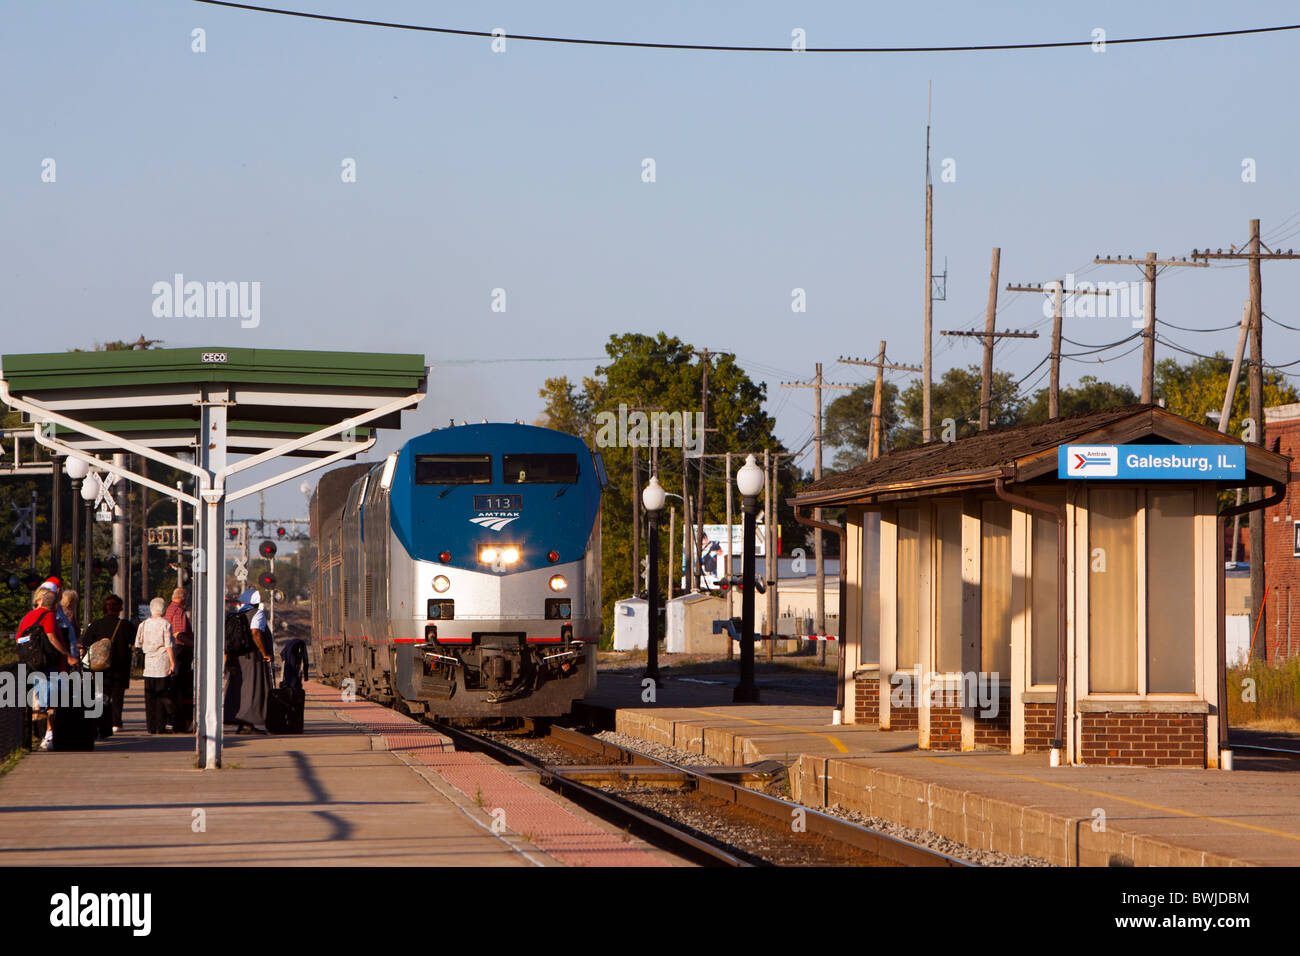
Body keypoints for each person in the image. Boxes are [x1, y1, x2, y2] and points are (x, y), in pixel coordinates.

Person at [19, 587, 77, 750]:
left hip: (31, 664)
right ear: (55, 606)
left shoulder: (28, 616)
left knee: (37, 702)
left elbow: (19, 639)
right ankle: (49, 735)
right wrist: (68, 655)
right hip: (48, 665)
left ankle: (32, 737)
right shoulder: (49, 616)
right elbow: (52, 637)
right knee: (52, 702)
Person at [82, 594, 137, 732]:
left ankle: (102, 722)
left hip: (100, 666)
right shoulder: (124, 625)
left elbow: (86, 643)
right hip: (120, 666)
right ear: (119, 608)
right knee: (118, 696)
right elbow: (134, 641)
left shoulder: (95, 625)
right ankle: (116, 722)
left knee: (101, 694)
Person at [224, 590, 271, 735]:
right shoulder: (257, 613)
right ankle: (250, 723)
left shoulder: (235, 615)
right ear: (257, 602)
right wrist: (265, 653)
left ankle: (238, 720)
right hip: (253, 658)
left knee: (239, 688)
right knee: (254, 689)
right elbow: (255, 632)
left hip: (237, 658)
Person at [134, 597, 175, 734]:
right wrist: (173, 663)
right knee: (161, 696)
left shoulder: (143, 624)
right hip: (162, 663)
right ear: (163, 609)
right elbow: (168, 645)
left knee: (150, 697)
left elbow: (137, 644)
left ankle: (150, 726)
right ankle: (160, 726)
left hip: (148, 665)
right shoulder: (166, 624)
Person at [164, 588, 193, 733]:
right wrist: (195, 643)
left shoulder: (169, 609)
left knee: (173, 686)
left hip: (172, 651)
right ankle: (181, 722)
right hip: (180, 652)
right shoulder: (179, 611)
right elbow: (179, 634)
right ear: (183, 598)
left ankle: (173, 720)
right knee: (181, 688)